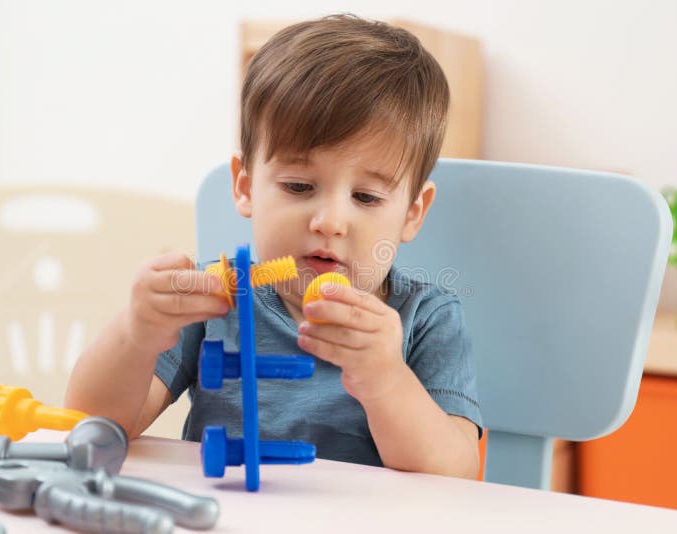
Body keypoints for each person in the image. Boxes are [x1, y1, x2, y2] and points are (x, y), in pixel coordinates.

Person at [65, 14, 483, 478]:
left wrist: (387, 380)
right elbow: (92, 423)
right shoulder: (209, 302)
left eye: (366, 197)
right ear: (245, 187)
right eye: (299, 186)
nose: (330, 222)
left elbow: (457, 474)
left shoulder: (427, 319)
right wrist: (137, 333)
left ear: (412, 213)